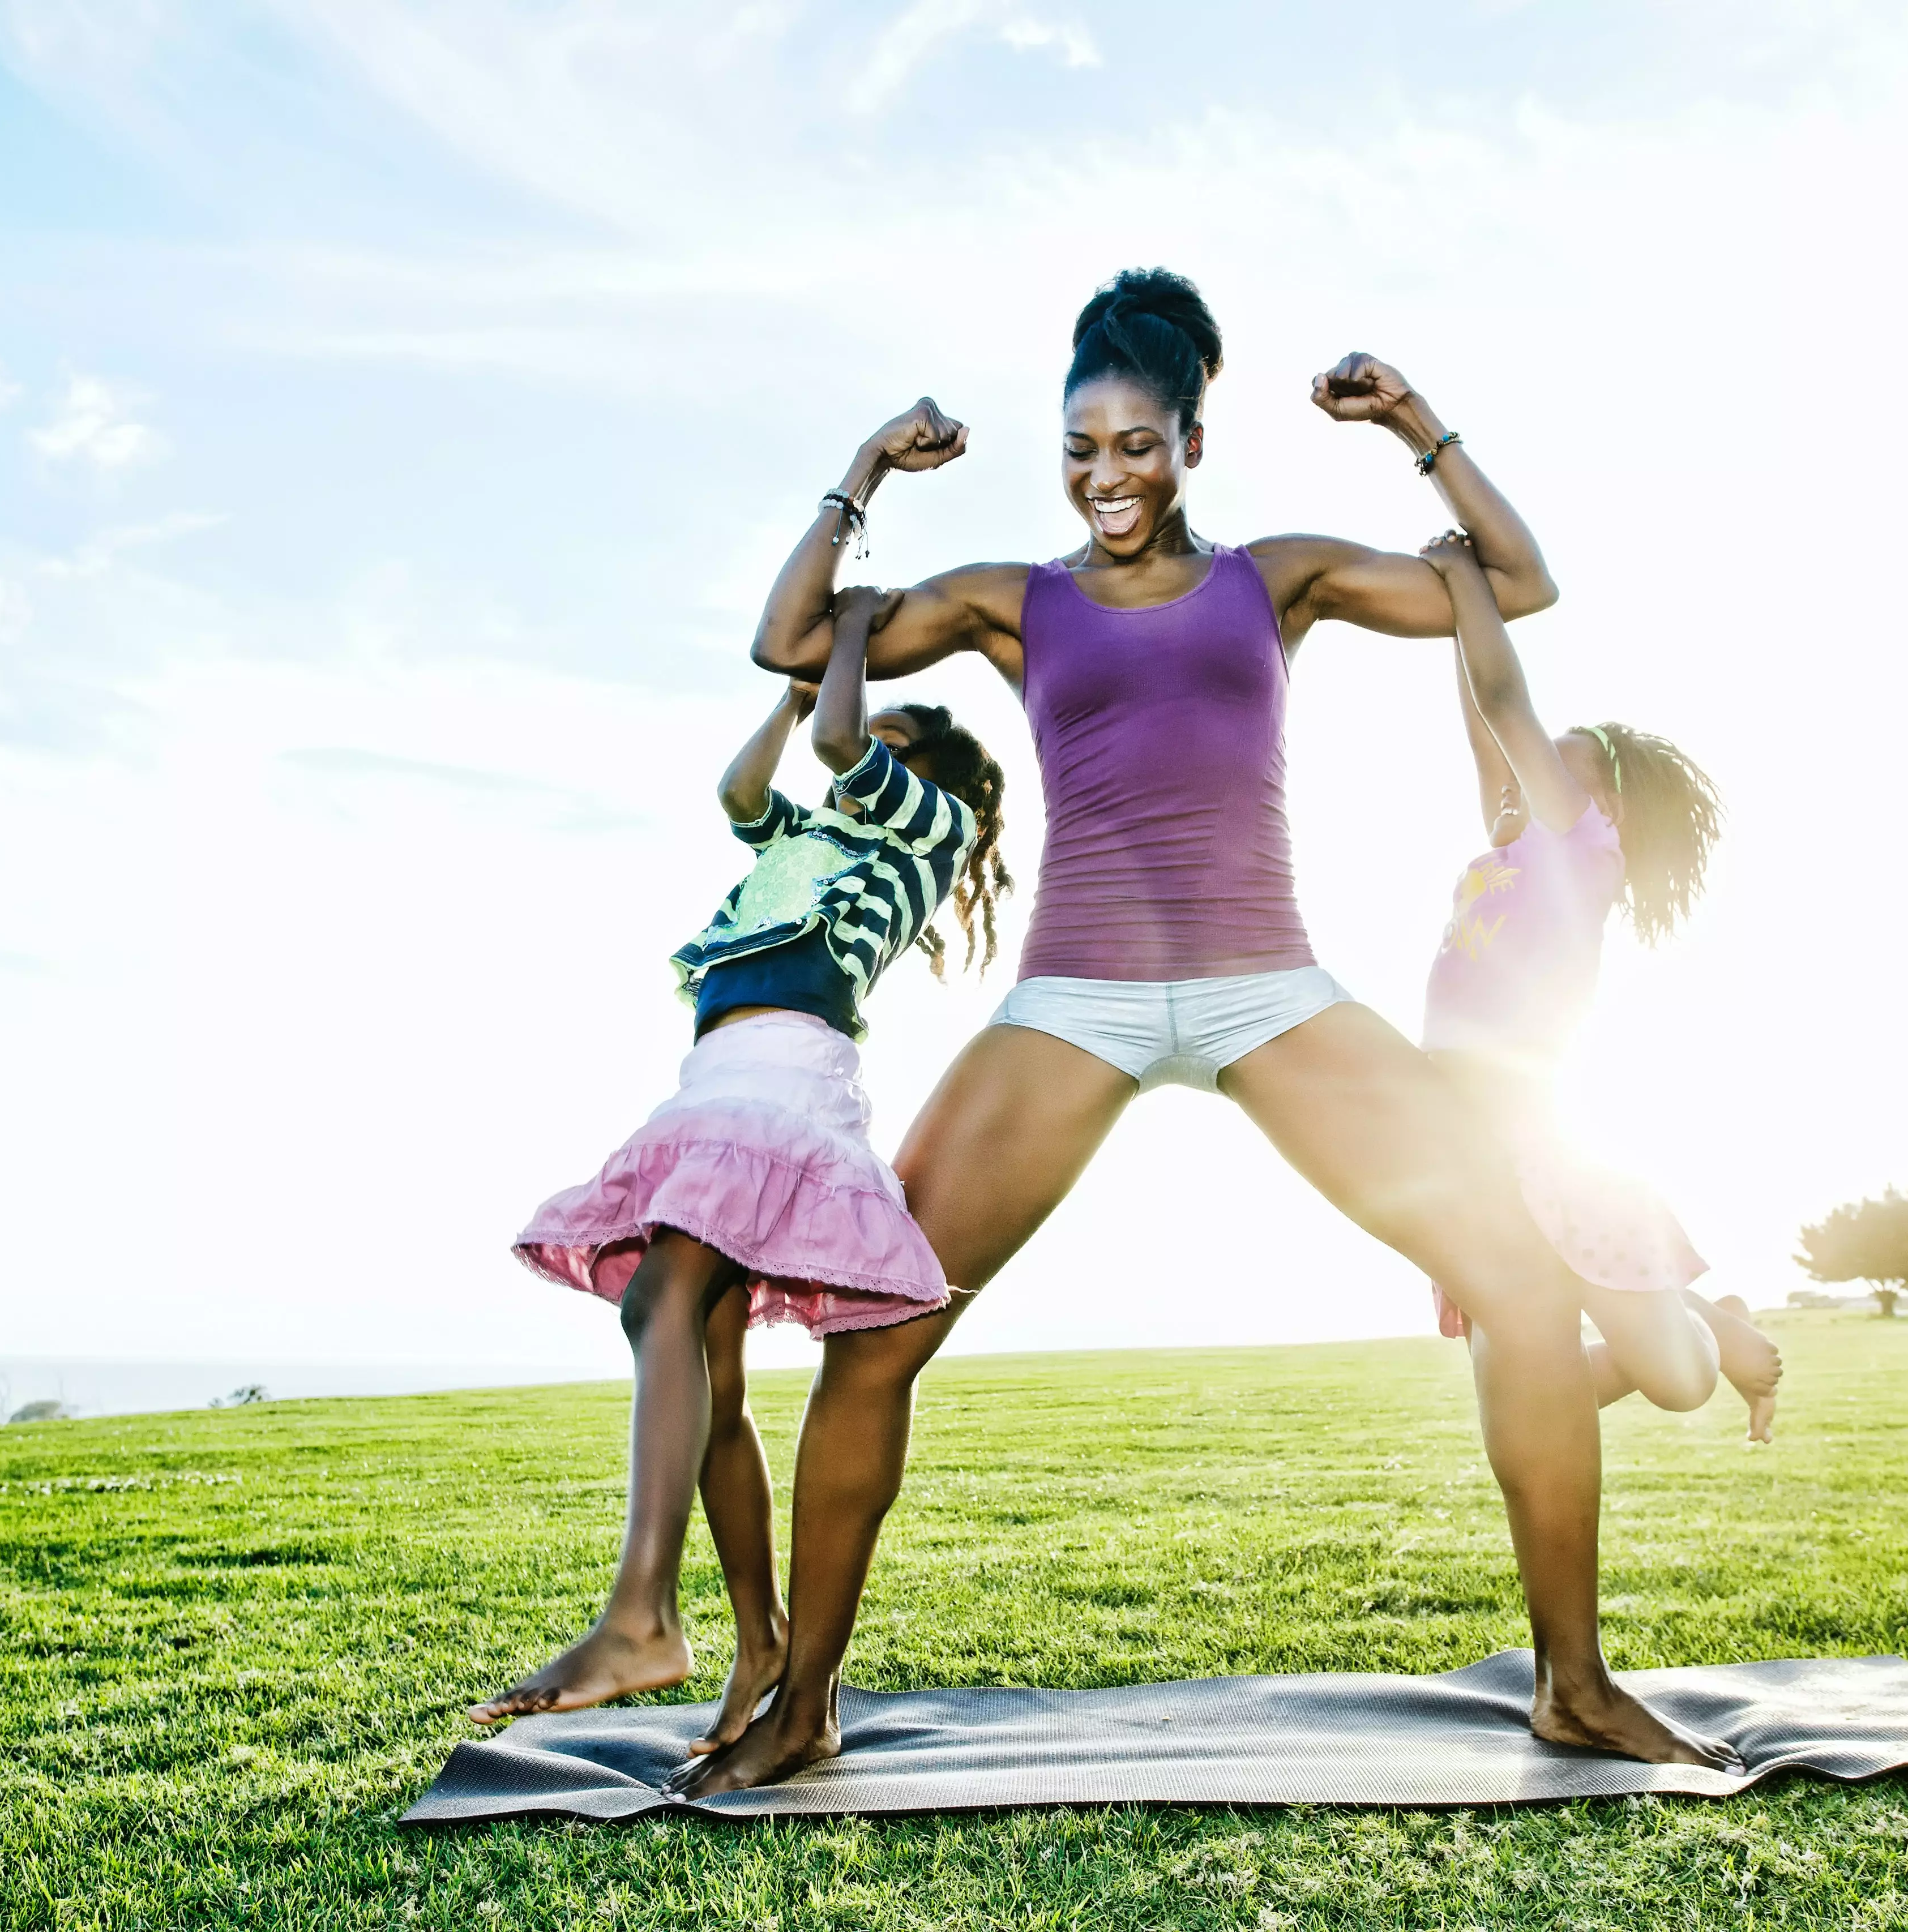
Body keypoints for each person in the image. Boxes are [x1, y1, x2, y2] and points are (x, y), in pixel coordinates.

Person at [673, 268, 1733, 1797]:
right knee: (877, 1330)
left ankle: (1575, 1683)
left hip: (1267, 982)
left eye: (1139, 446)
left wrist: (1412, 421)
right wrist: (865, 472)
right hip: (1076, 994)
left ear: (1191, 443)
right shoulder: (1012, 601)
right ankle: (804, 1700)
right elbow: (790, 644)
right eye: (1081, 448)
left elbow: (1516, 578)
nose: (1108, 477)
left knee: (1518, 1279)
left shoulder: (1274, 578)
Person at [474, 588, 1009, 1750]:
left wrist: (849, 644)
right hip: (712, 1078)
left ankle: (640, 1613)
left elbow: (836, 743)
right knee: (701, 1365)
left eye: (887, 743)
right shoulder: (809, 837)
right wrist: (790, 686)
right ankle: (754, 1637)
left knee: (660, 1299)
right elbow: (744, 791)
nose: (858, 752)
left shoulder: (927, 830)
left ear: (928, 773)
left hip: (783, 1077)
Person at [1418, 530, 1783, 1444]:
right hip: (1469, 1147)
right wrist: (1461, 619)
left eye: (1558, 756)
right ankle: (1695, 1322)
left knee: (1678, 1383)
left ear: (1606, 809)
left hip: (1553, 1152)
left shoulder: (1583, 853)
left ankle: (1711, 1327)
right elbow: (1482, 722)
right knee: (1522, 1411)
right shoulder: (1513, 845)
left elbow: (1506, 705)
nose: (1531, 760)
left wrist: (1467, 578)